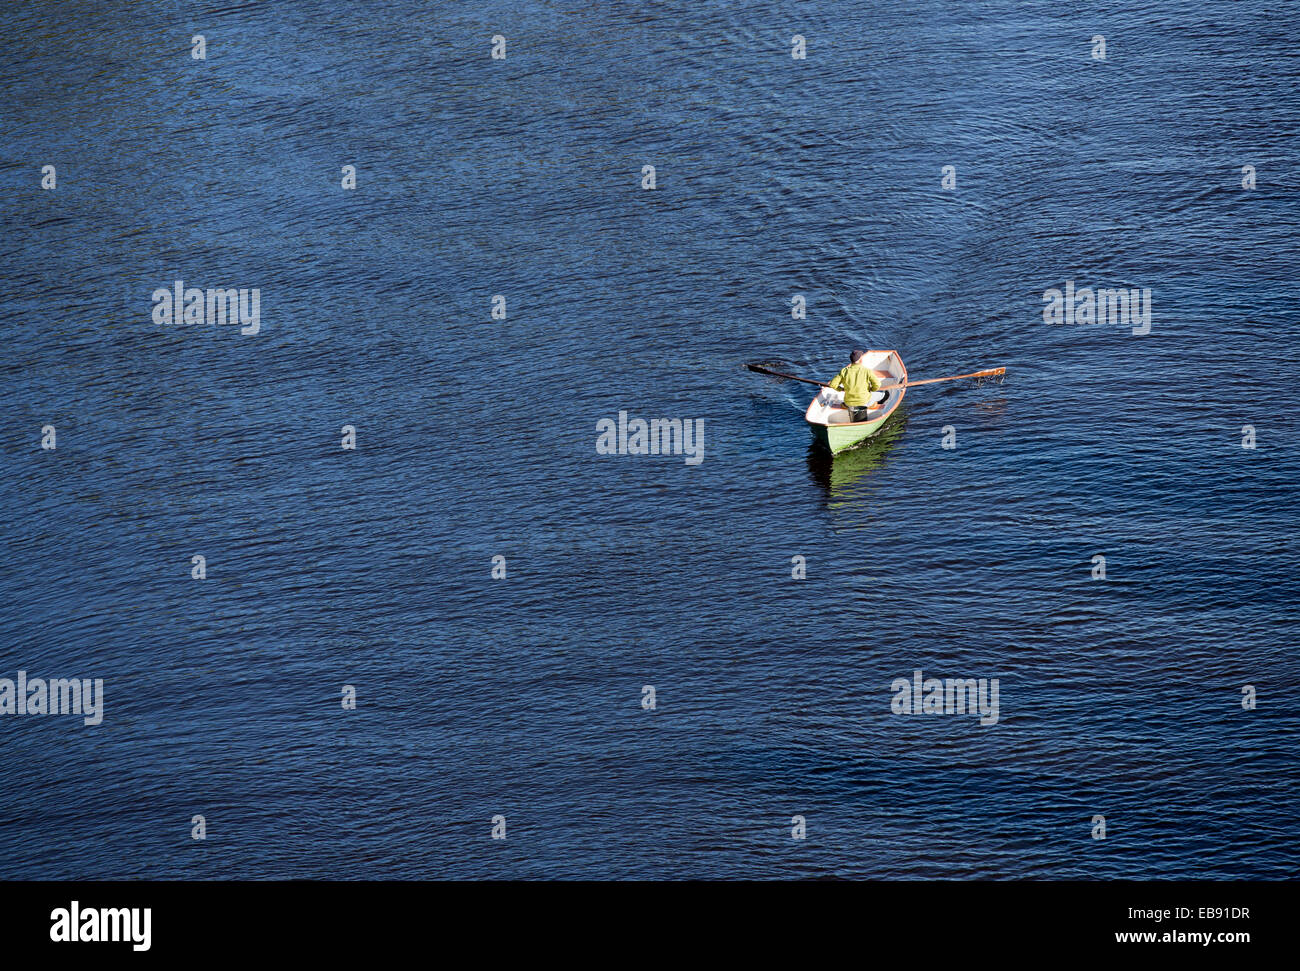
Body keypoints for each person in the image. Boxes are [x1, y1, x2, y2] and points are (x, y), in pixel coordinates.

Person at [827, 350, 882, 422]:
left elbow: (832, 384)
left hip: (848, 403)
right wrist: (871, 389)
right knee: (883, 395)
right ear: (860, 360)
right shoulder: (867, 371)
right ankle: (877, 405)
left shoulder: (844, 371)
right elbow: (877, 385)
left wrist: (841, 389)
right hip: (864, 402)